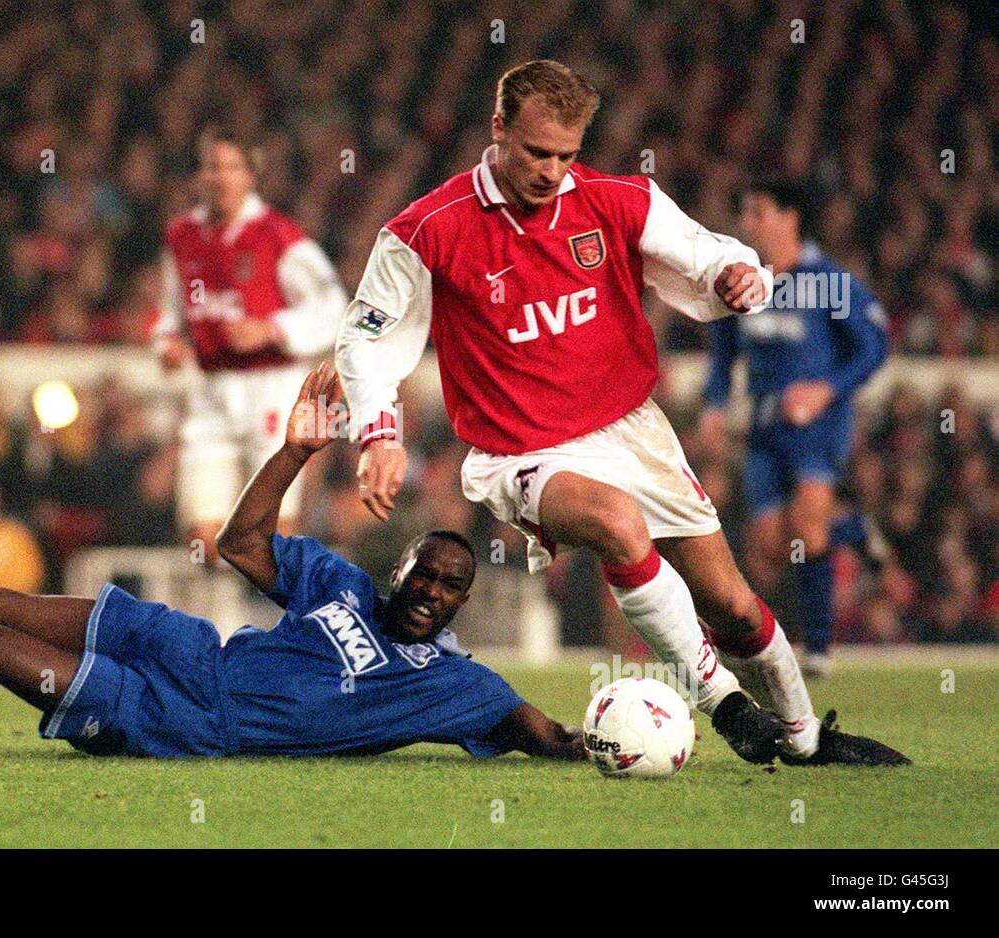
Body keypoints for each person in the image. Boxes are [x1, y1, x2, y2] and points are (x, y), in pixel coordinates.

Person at [335, 59, 906, 766]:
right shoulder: (428, 227)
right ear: (498, 129)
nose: (551, 172)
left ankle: (806, 735)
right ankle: (724, 702)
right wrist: (379, 433)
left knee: (730, 602)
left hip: (632, 430)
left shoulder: (617, 200)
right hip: (520, 449)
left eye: (566, 155)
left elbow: (709, 255)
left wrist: (738, 277)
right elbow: (367, 338)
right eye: (536, 152)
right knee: (615, 522)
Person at [0, 364, 585, 761]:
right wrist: (295, 452)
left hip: (190, 720)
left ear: (460, 602)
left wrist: (602, 741)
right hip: (187, 645)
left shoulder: (450, 682)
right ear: (399, 571)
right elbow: (240, 545)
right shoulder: (340, 584)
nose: (432, 591)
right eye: (424, 573)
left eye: (449, 586)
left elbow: (541, 731)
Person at [699, 180, 889, 678]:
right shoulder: (741, 281)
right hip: (763, 429)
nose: (747, 223)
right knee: (770, 545)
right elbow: (723, 354)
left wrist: (826, 389)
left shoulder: (826, 280)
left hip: (817, 426)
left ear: (790, 217)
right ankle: (852, 529)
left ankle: (819, 650)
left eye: (758, 212)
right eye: (745, 213)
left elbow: (873, 345)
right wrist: (715, 405)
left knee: (807, 527)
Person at [157, 127, 346, 563]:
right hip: (210, 389)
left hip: (272, 387)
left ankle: (273, 604)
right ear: (199, 175)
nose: (221, 177)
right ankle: (230, 602)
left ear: (250, 175)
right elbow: (172, 313)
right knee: (204, 542)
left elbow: (334, 305)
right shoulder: (181, 235)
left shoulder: (278, 235)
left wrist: (272, 329)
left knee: (275, 533)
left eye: (232, 167)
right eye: (213, 167)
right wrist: (166, 344)